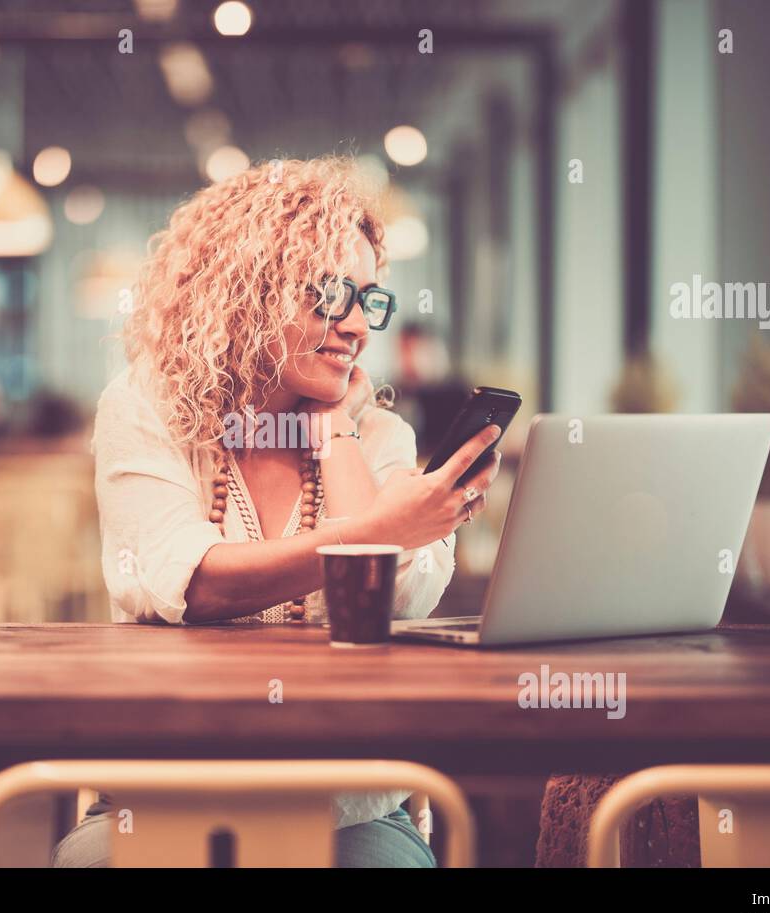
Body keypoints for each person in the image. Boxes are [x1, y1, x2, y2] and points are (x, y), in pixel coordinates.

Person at [53, 156, 501, 868]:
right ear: (248, 293)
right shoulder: (146, 408)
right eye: (329, 294)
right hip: (165, 788)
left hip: (346, 805)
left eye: (369, 300)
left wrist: (338, 435)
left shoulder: (379, 434)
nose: (356, 325)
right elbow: (193, 583)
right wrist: (383, 529)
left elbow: (403, 597)